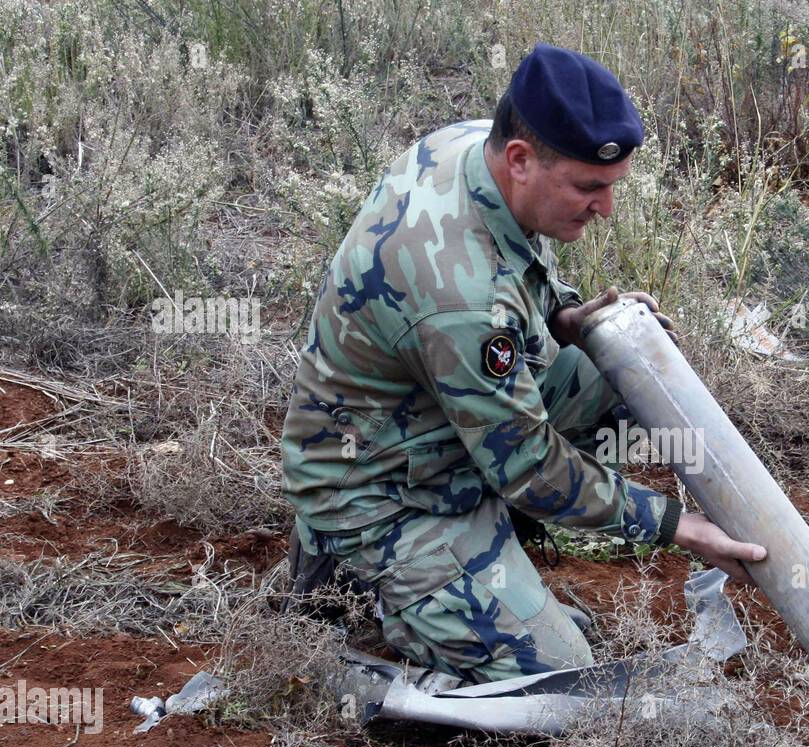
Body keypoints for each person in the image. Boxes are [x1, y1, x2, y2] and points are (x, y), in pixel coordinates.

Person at [279, 43, 765, 684]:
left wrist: (563, 314)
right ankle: (376, 583)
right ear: (520, 160)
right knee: (557, 671)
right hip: (382, 488)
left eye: (612, 186)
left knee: (627, 369)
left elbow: (512, 271)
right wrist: (678, 525)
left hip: (434, 422)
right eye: (589, 187)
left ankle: (485, 560)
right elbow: (531, 467)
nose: (606, 208)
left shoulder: (470, 146)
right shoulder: (462, 302)